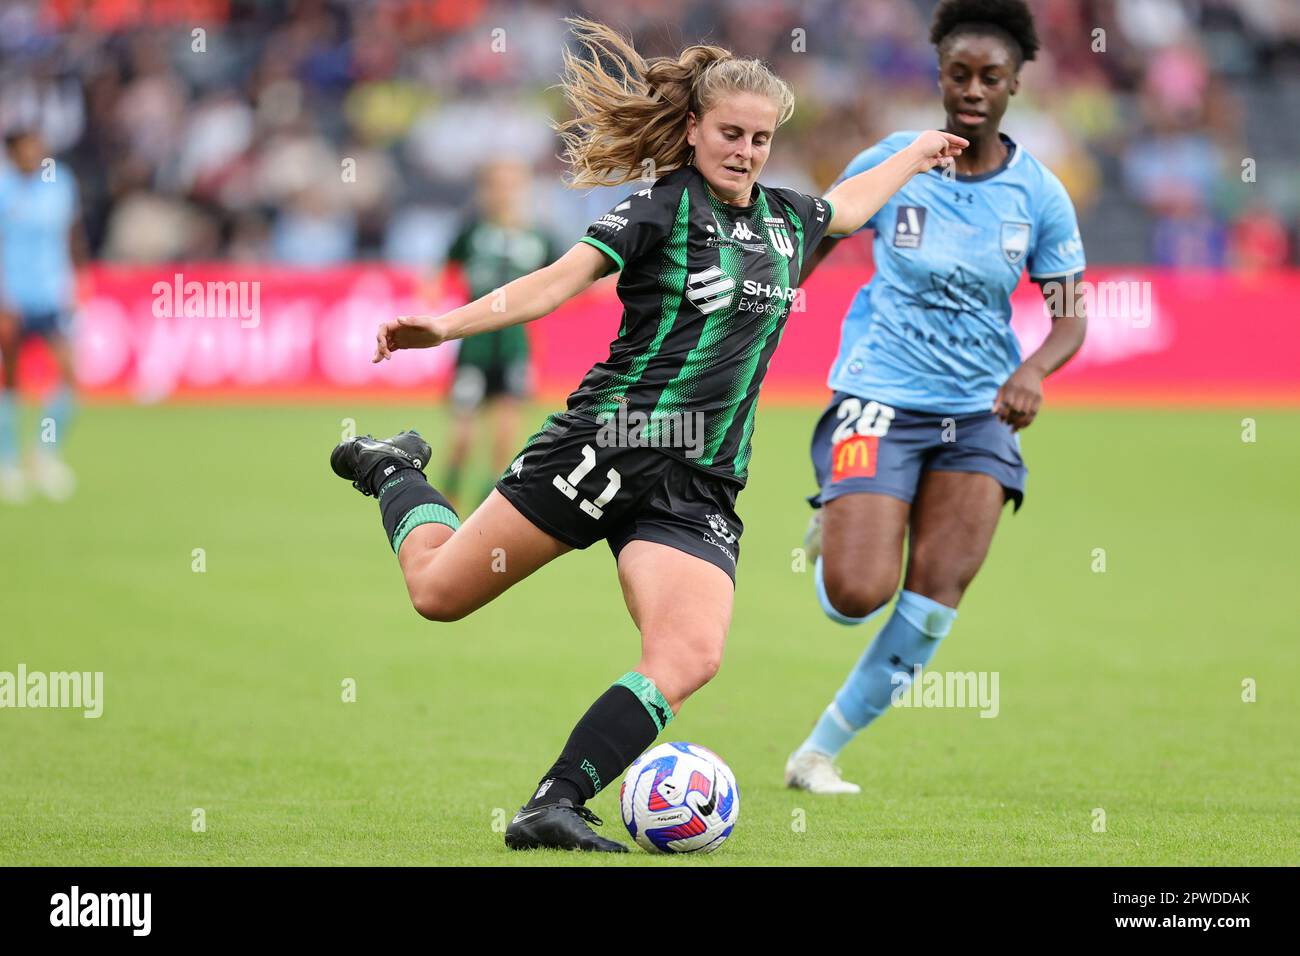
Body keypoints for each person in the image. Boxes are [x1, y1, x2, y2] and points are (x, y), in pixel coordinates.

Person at [328, 17, 965, 850]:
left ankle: (552, 804)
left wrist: (915, 154)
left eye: (761, 138)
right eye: (730, 133)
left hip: (699, 482)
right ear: (695, 129)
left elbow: (846, 205)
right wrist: (444, 328)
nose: (745, 150)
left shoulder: (787, 220)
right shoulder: (660, 209)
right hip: (604, 446)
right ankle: (392, 472)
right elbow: (555, 283)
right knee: (438, 596)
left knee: (692, 653)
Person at [784, 0, 1088, 795]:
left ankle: (817, 753)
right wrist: (768, 309)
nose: (974, 90)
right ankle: (835, 523)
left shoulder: (1039, 195)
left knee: (935, 597)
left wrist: (1033, 371)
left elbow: (1070, 316)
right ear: (941, 77)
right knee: (855, 596)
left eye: (992, 77)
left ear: (1017, 83)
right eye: (960, 74)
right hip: (880, 396)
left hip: (981, 412)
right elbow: (819, 237)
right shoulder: (895, 160)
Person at [436, 160, 559, 510]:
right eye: (496, 185)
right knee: (462, 436)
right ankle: (447, 503)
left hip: (514, 347)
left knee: (505, 434)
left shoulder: (539, 238)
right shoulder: (471, 233)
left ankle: (487, 507)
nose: (503, 192)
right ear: (485, 190)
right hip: (474, 347)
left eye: (511, 184)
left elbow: (563, 280)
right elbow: (442, 272)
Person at [0, 129, 84, 503]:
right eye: (25, 149)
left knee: (68, 376)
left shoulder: (59, 184)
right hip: (12, 299)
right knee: (11, 382)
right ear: (11, 153)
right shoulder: (3, 188)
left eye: (38, 146)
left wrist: (75, 282)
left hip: (51, 294)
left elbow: (70, 237)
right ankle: (7, 461)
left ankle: (44, 452)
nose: (34, 154)